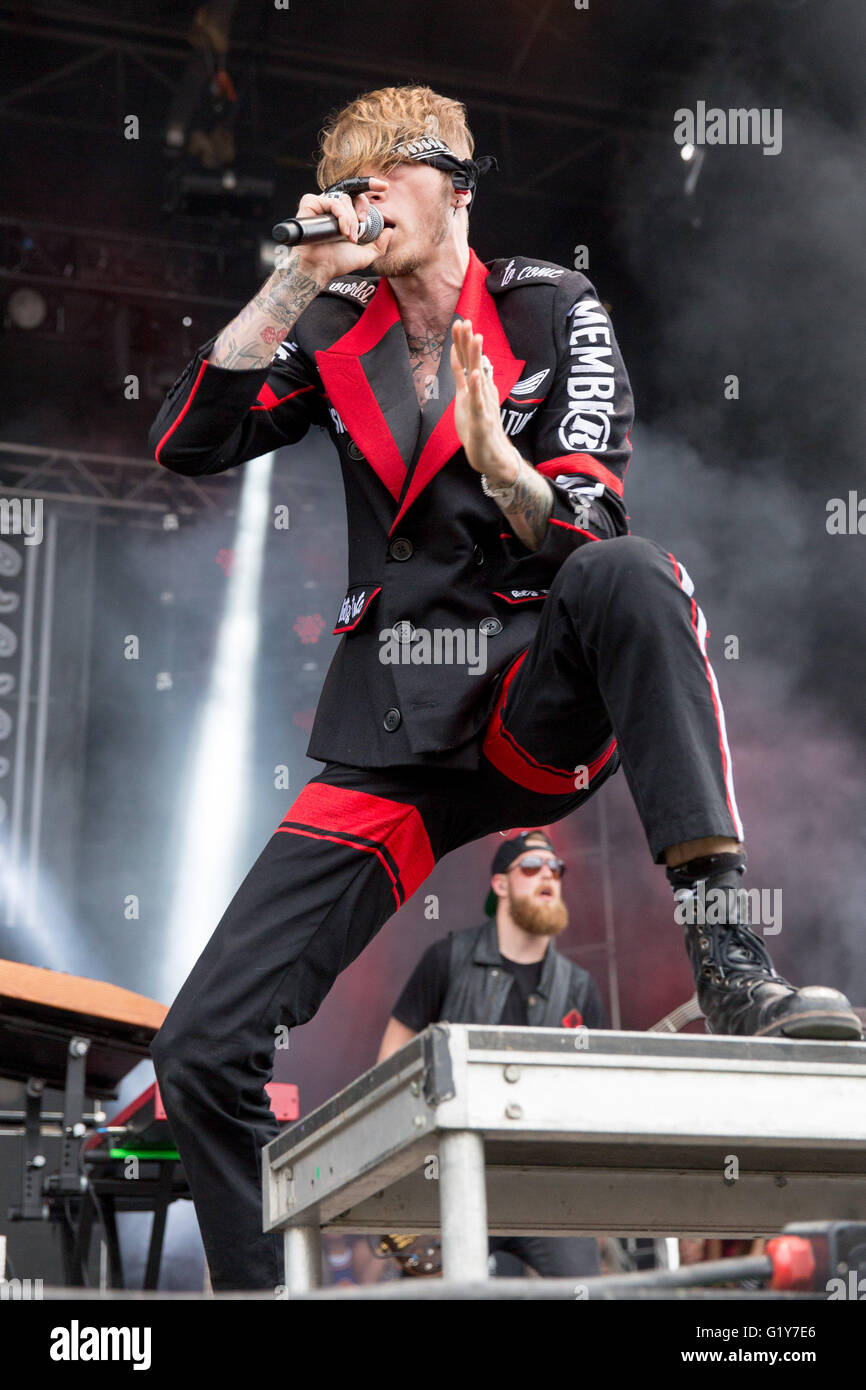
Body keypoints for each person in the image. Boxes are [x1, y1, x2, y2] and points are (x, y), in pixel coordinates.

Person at [147, 84, 860, 1291]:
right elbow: (187, 441)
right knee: (199, 1045)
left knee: (636, 574)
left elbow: (586, 527)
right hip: (395, 735)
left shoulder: (546, 302)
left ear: (457, 184)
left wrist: (500, 465)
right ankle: (257, 1295)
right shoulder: (332, 328)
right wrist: (290, 279)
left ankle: (728, 956)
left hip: (532, 695)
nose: (364, 194)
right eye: (348, 177)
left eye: (387, 173)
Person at [379, 828, 606, 1278]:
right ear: (500, 884)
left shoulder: (579, 987)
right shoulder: (448, 958)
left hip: (547, 1188)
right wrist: (402, 1178)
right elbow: (392, 1061)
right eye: (531, 866)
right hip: (456, 1179)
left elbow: (596, 1095)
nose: (548, 874)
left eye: (555, 868)